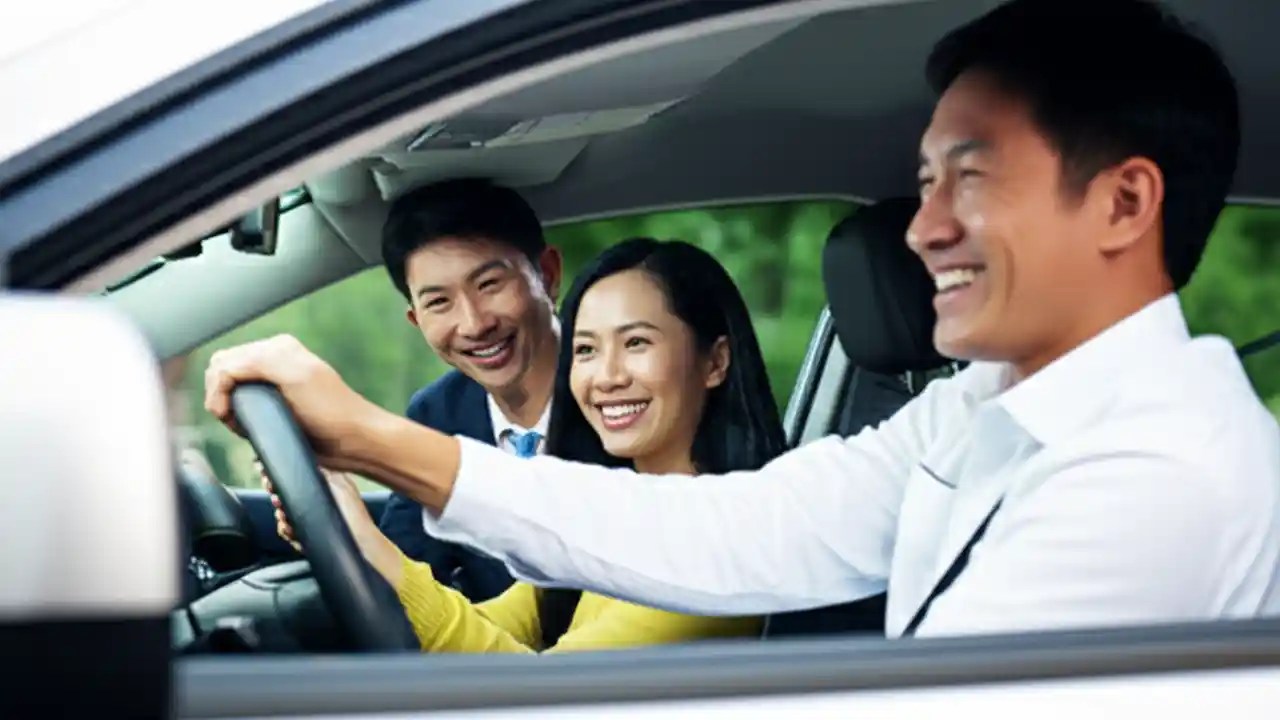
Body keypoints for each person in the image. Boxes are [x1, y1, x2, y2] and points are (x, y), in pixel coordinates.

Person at [206, 0, 1280, 638]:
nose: (921, 230)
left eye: (972, 180)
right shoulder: (978, 412)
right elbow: (740, 527)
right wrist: (383, 445)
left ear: (1122, 204)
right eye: (922, 184)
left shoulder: (1158, 475)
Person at [264, 238, 779, 652]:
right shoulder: (612, 516)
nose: (607, 377)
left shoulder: (708, 551)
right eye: (586, 350)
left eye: (637, 343)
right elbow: (493, 627)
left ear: (715, 363)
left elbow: (531, 693)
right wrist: (341, 529)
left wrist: (360, 533)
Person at [374, 178, 563, 602]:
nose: (475, 324)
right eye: (439, 303)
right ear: (416, 320)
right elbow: (406, 576)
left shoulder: (621, 388)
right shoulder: (436, 415)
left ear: (547, 276)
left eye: (489, 284)